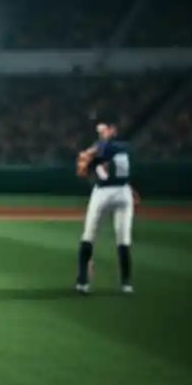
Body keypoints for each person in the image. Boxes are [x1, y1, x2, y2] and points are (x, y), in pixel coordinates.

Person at [74, 119, 136, 295]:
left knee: (92, 235)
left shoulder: (108, 146)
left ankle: (83, 281)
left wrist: (86, 156)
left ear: (113, 130)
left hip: (107, 193)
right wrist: (87, 162)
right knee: (121, 238)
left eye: (104, 129)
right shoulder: (123, 147)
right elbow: (84, 170)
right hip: (122, 191)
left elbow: (91, 156)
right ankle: (126, 283)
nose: (101, 132)